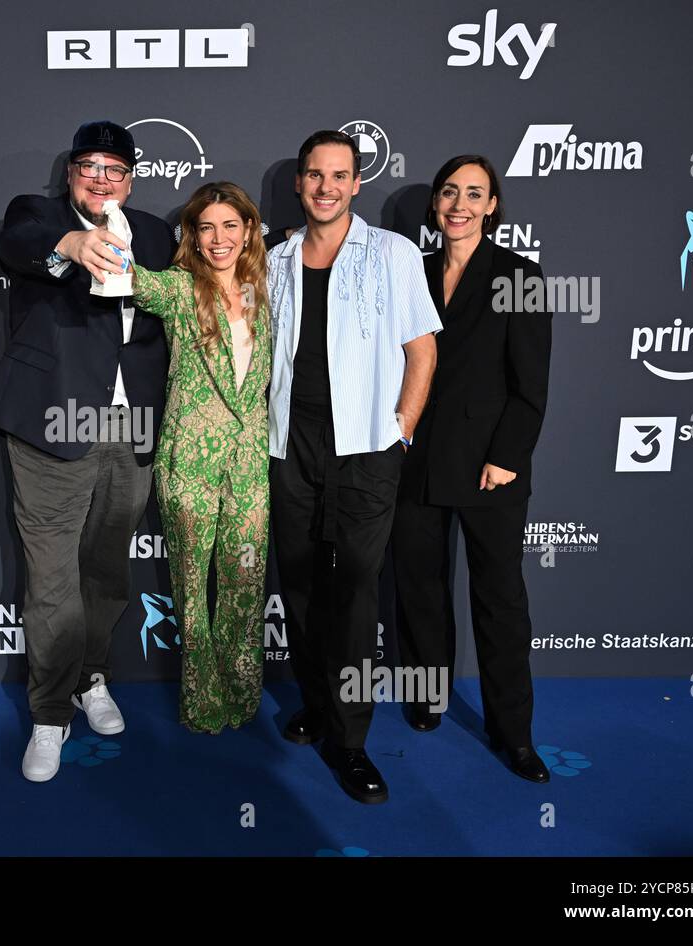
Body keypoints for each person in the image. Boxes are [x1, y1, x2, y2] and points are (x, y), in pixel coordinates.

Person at [0, 121, 175, 782]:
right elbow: (24, 245)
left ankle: (93, 677)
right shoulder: (35, 215)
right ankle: (49, 714)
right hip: (52, 425)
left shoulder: (156, 233)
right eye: (88, 167)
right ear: (70, 173)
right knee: (53, 579)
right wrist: (74, 243)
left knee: (106, 573)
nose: (101, 179)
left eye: (114, 170)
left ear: (131, 177)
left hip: (131, 428)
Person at [268, 130, 441, 804]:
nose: (326, 187)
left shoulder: (393, 253)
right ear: (300, 182)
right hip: (291, 447)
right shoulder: (277, 256)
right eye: (315, 175)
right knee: (304, 589)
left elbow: (421, 352)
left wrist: (398, 432)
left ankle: (353, 741)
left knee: (354, 598)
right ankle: (316, 706)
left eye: (339, 176)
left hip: (366, 449)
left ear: (356, 183)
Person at [392, 155, 552, 783]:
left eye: (474, 194)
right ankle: (428, 697)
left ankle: (513, 732)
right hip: (415, 461)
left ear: (492, 207)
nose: (459, 203)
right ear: (436, 203)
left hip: (491, 468)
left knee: (500, 599)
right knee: (419, 590)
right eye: (449, 192)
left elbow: (530, 385)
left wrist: (507, 458)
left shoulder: (521, 276)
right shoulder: (412, 273)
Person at [130, 183, 271, 733]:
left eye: (230, 226)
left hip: (250, 462)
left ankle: (243, 694)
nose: (218, 239)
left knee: (245, 584)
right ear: (192, 234)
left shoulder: (267, 290)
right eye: (206, 227)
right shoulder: (180, 289)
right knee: (191, 588)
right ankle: (203, 701)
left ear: (247, 231)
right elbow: (132, 281)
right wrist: (101, 234)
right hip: (188, 459)